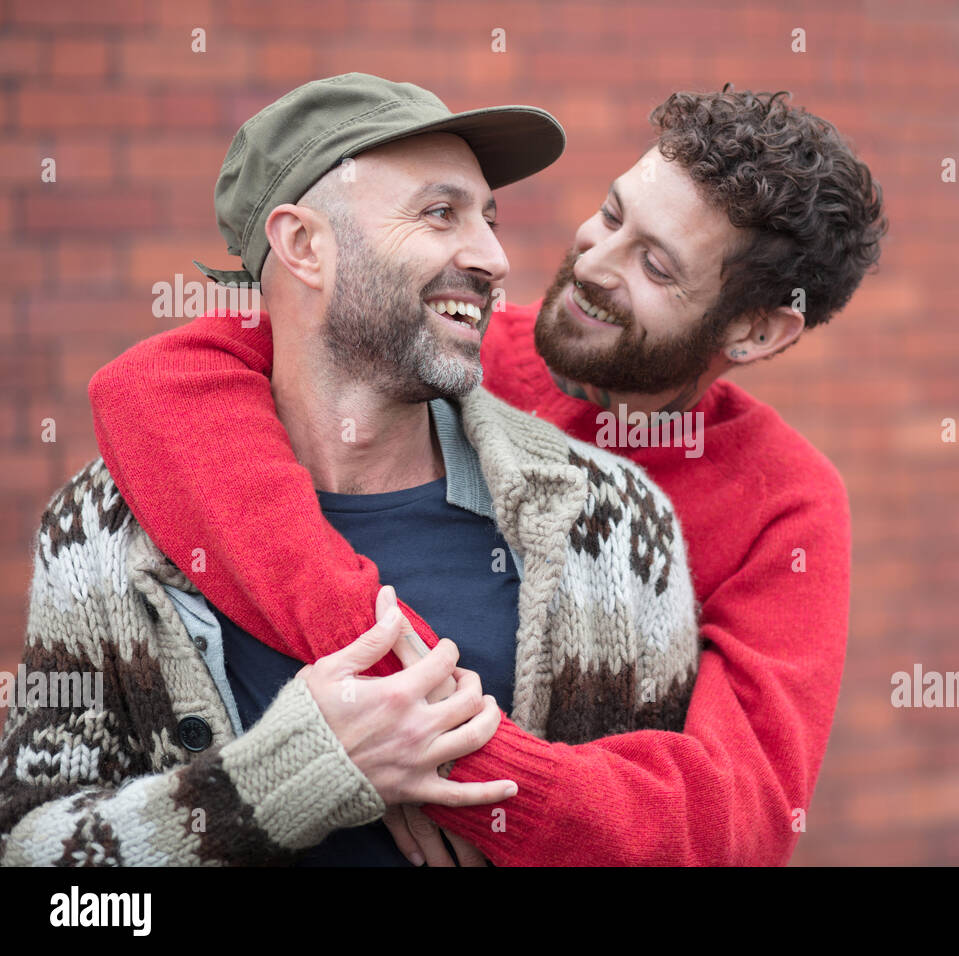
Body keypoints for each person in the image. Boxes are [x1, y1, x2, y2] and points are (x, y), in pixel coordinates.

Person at [84, 84, 887, 866]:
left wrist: (462, 777)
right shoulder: (445, 352)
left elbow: (736, 820)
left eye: (657, 266)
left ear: (755, 329)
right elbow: (153, 387)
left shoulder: (786, 505)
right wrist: (385, 725)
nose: (595, 262)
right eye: (611, 214)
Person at [0, 74, 700, 866]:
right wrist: (291, 776)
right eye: (442, 214)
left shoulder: (608, 523)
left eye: (490, 219)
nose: (495, 257)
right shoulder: (104, 531)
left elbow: (673, 844)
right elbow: (44, 872)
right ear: (304, 246)